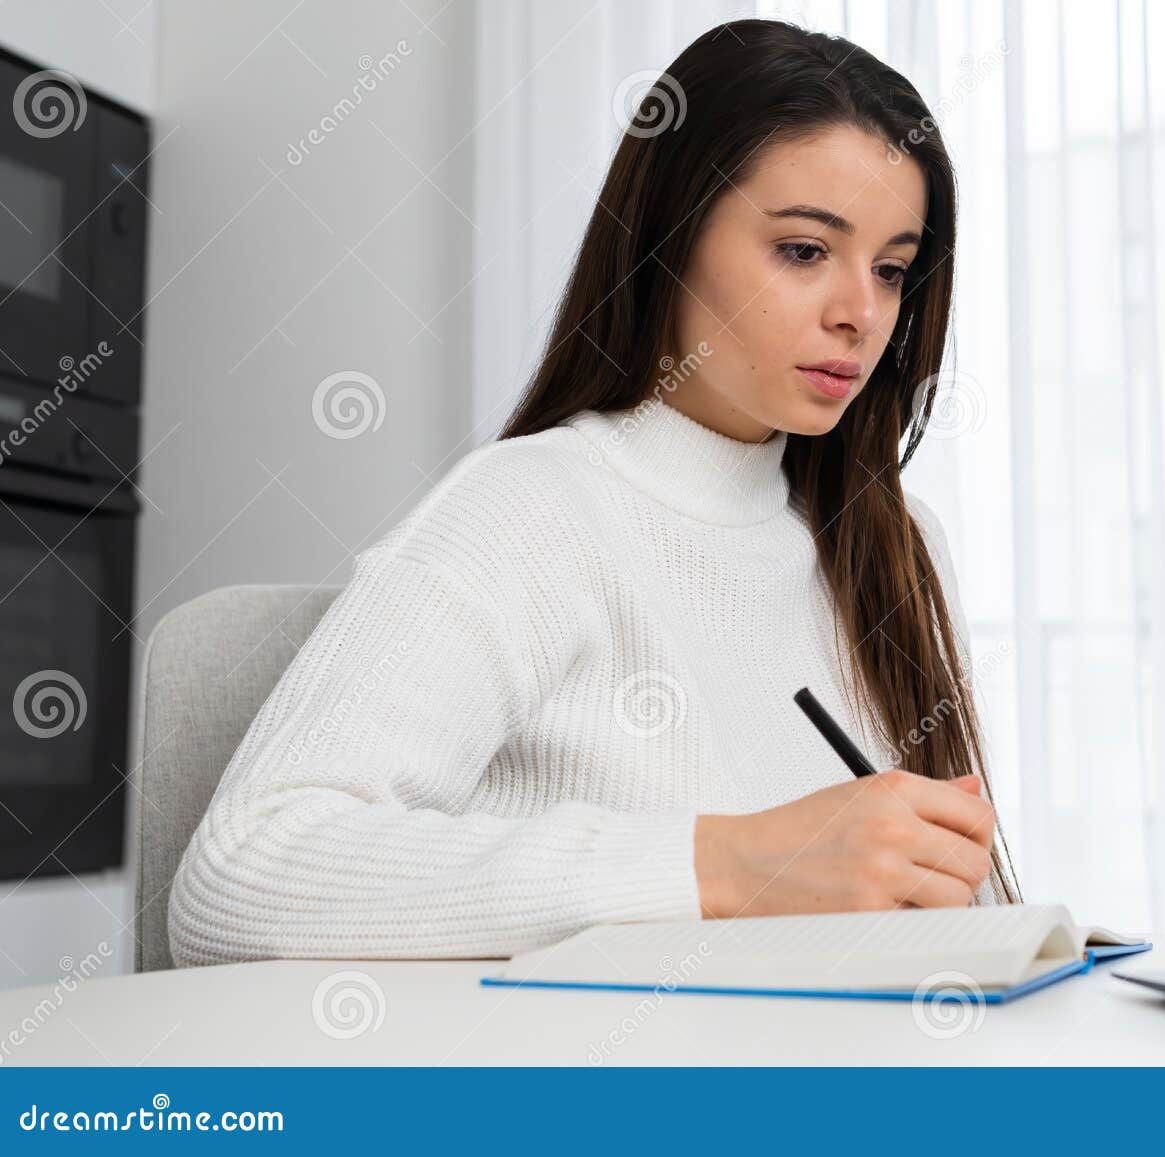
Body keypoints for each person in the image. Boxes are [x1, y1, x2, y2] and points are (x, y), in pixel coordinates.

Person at [167, 18, 1019, 968]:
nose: (860, 312)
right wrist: (729, 864)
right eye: (804, 250)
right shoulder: (531, 512)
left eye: (893, 269)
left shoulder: (897, 544)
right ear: (671, 236)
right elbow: (241, 878)